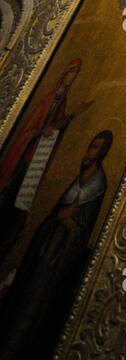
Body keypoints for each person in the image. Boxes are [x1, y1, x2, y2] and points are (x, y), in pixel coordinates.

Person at [0, 129, 112, 360]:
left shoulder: (96, 185)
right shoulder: (79, 182)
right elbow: (57, 217)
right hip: (41, 260)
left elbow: (81, 231)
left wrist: (66, 222)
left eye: (95, 148)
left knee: (28, 324)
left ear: (102, 153)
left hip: (53, 269)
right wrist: (58, 218)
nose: (88, 152)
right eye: (90, 146)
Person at [0, 59, 93, 264]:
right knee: (9, 198)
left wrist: (73, 114)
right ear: (65, 73)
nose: (74, 77)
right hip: (24, 158)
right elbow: (31, 129)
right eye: (72, 72)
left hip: (36, 160)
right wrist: (42, 131)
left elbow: (56, 126)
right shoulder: (49, 98)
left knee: (18, 209)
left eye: (77, 74)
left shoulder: (61, 101)